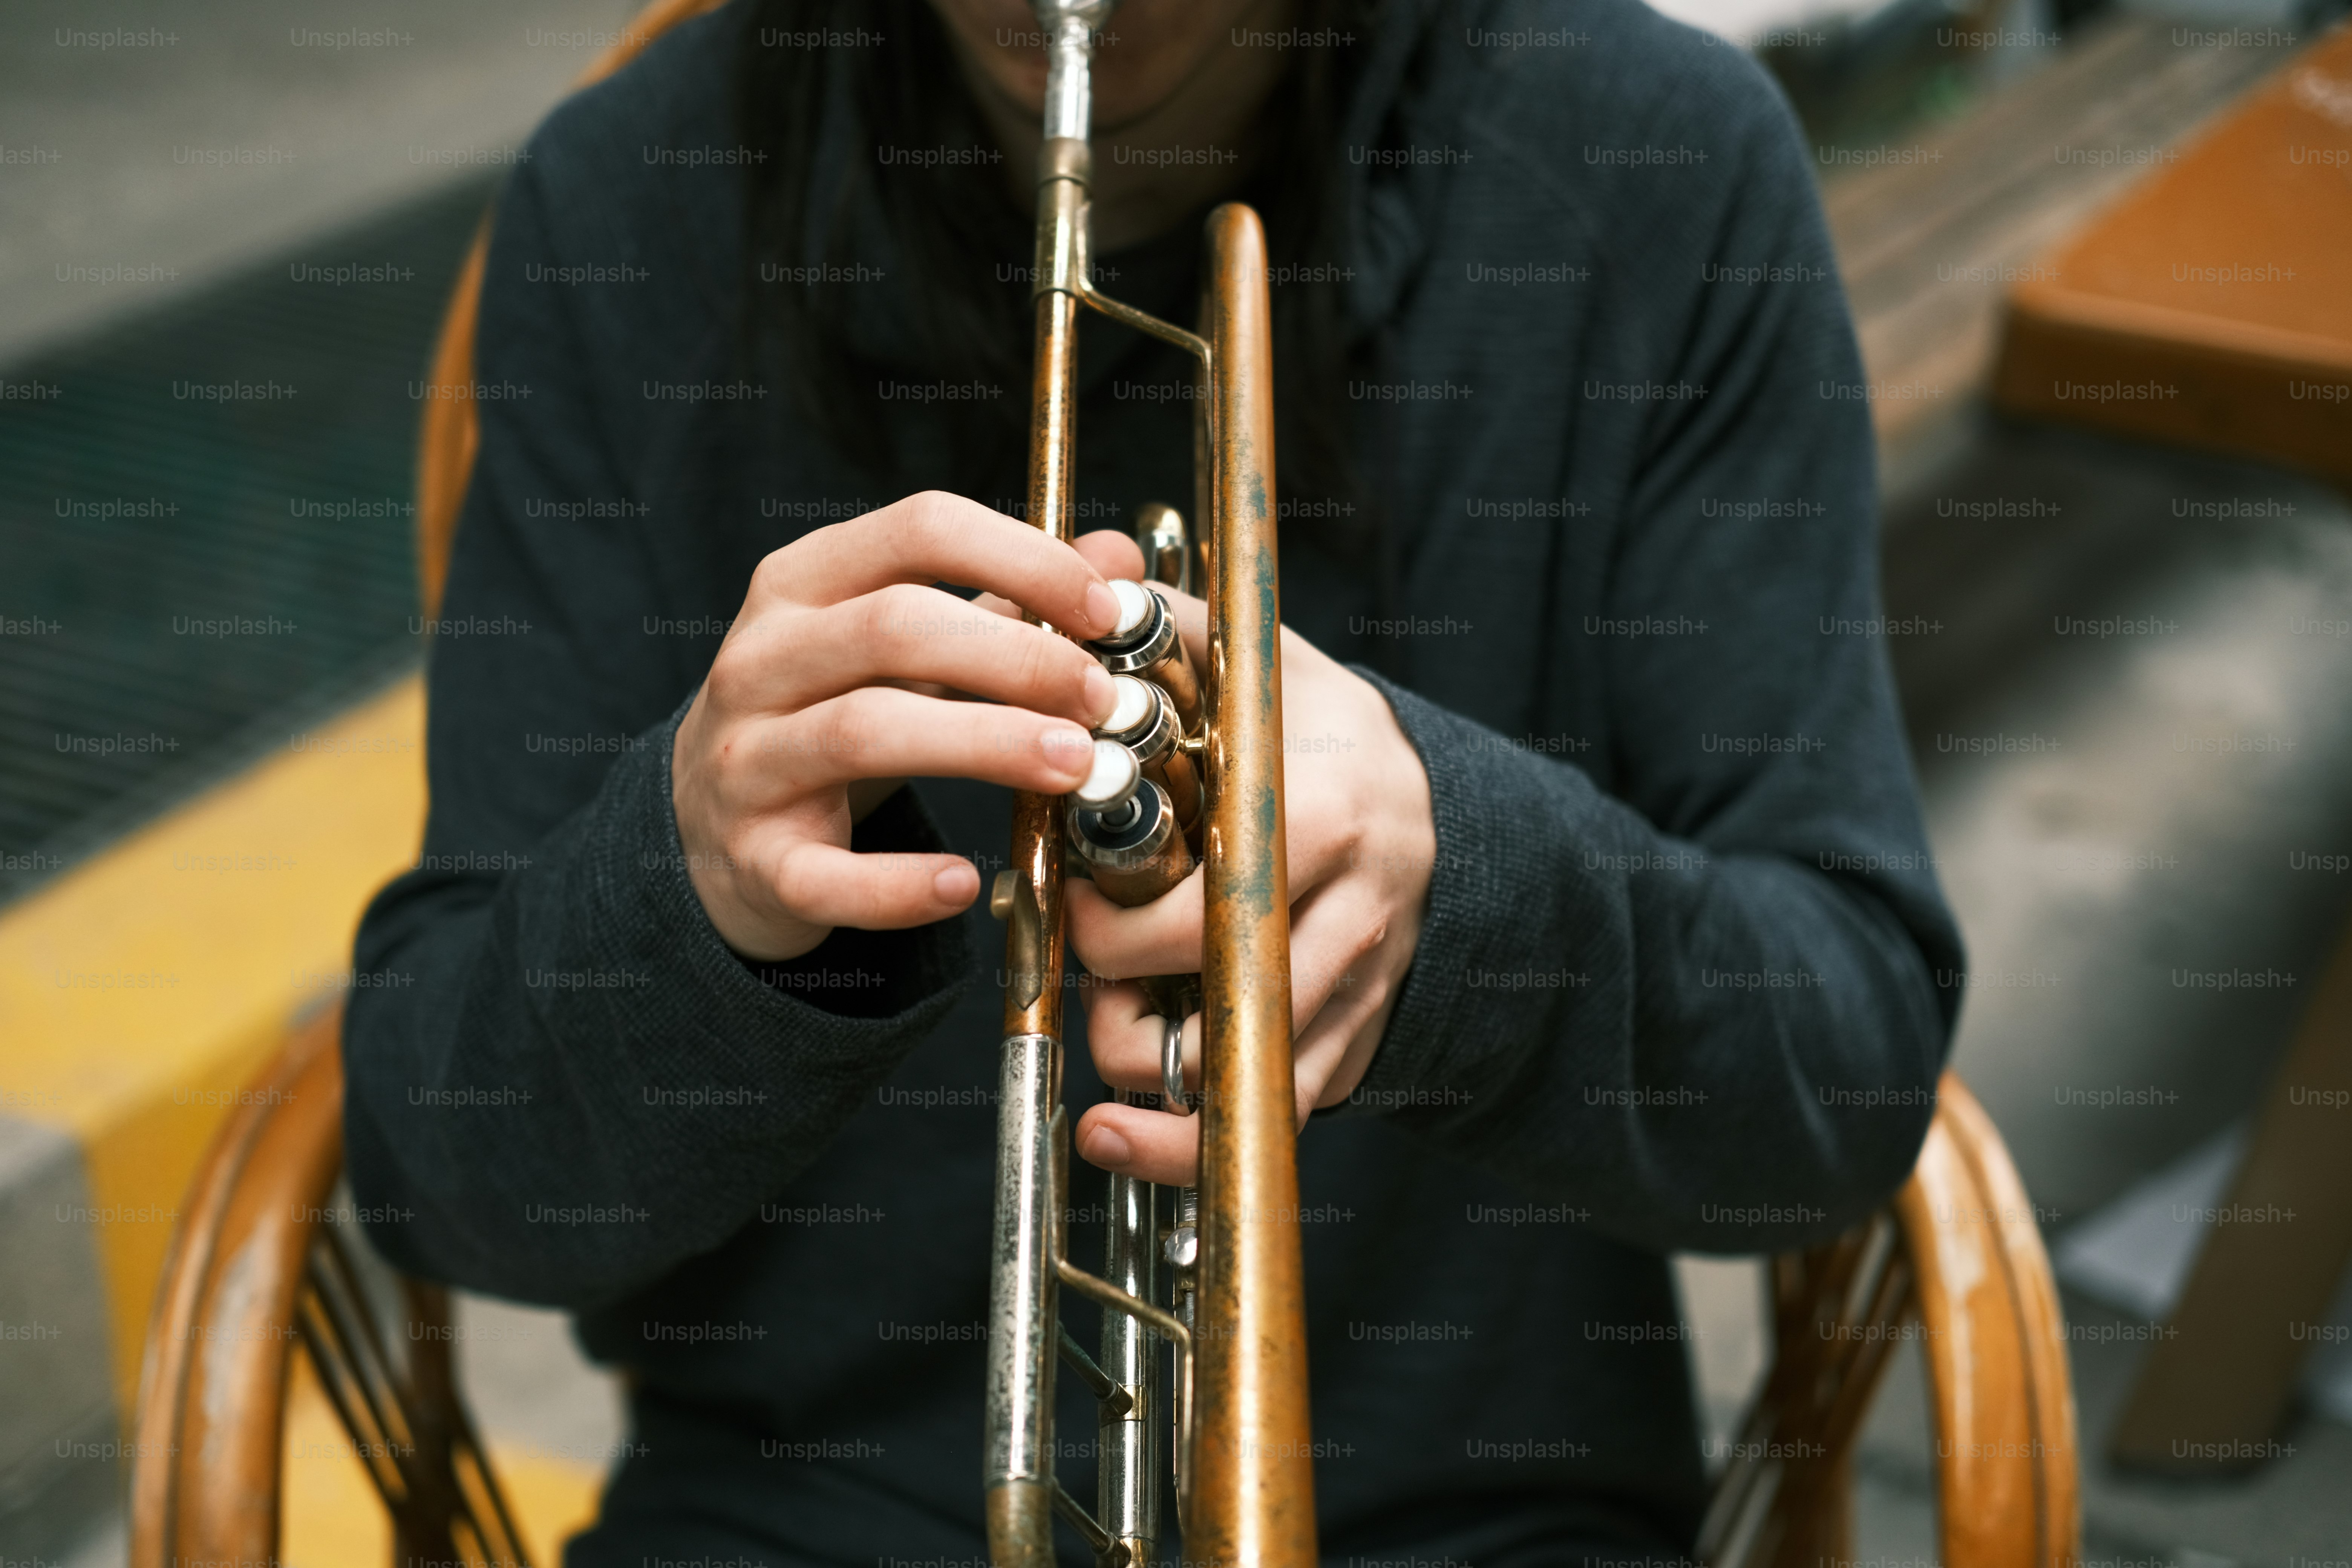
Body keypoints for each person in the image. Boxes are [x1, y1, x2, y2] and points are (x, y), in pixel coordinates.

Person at [347, 0, 1963, 1562]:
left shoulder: (1656, 164)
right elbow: (448, 1179)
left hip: (1475, 1513)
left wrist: (1470, 898)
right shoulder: (629, 198)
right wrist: (692, 897)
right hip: (789, 1510)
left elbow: (1842, 1068)